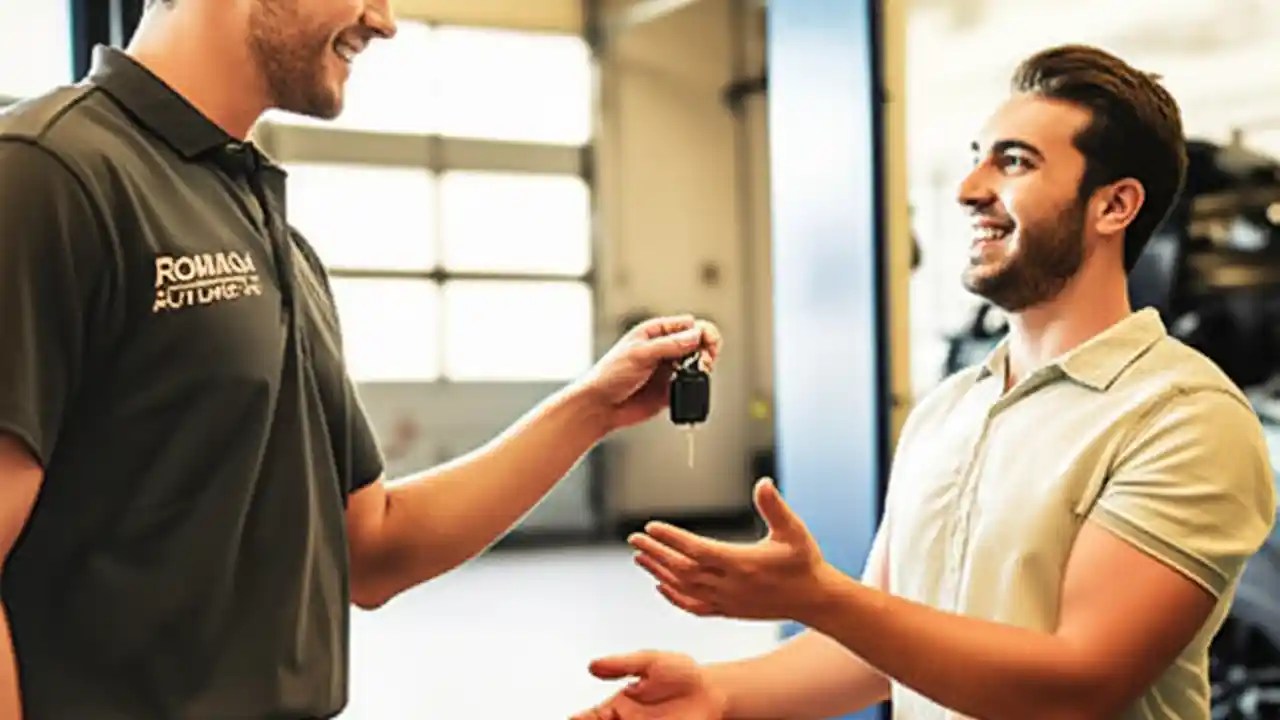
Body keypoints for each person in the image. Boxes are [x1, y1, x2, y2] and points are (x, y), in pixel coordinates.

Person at [0, 1, 721, 718]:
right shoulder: (47, 177)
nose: (384, 19)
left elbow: (374, 547)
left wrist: (593, 407)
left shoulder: (263, 225)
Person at [573, 44, 1277, 720]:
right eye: (977, 161)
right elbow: (882, 652)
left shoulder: (1183, 417)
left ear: (1114, 206)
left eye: (1015, 163)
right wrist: (715, 692)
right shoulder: (951, 409)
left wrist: (820, 598)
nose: (971, 190)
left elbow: (1076, 687)